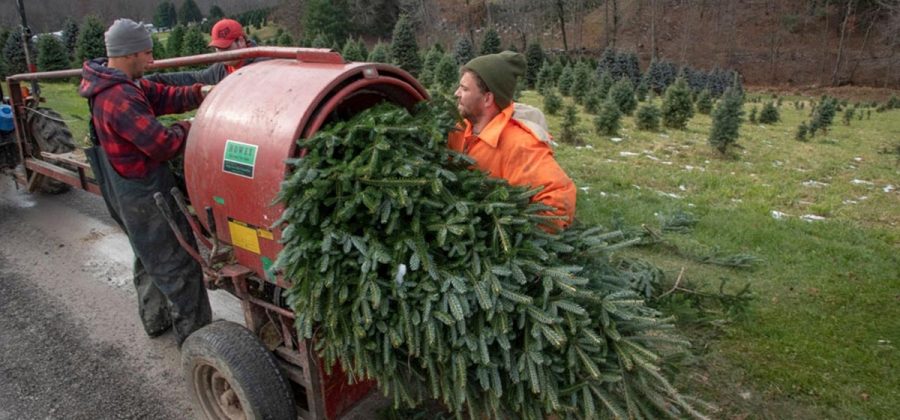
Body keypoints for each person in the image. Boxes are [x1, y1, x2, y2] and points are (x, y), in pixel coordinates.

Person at [79, 18, 211, 344]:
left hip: (127, 191)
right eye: (148, 54)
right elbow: (163, 145)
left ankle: (155, 319)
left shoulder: (123, 84)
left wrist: (202, 92)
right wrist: (193, 124)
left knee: (147, 253)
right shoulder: (117, 97)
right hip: (145, 196)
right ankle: (198, 347)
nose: (152, 61)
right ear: (129, 54)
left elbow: (164, 96)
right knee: (179, 269)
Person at [449, 51, 577, 230]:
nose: (456, 93)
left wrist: (517, 238)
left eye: (465, 89)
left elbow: (559, 196)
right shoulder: (460, 128)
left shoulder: (519, 144)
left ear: (487, 99)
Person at [145, 18, 261, 86]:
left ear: (241, 41)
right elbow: (192, 78)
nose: (221, 53)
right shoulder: (221, 69)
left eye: (225, 47)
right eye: (217, 47)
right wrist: (150, 80)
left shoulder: (263, 65)